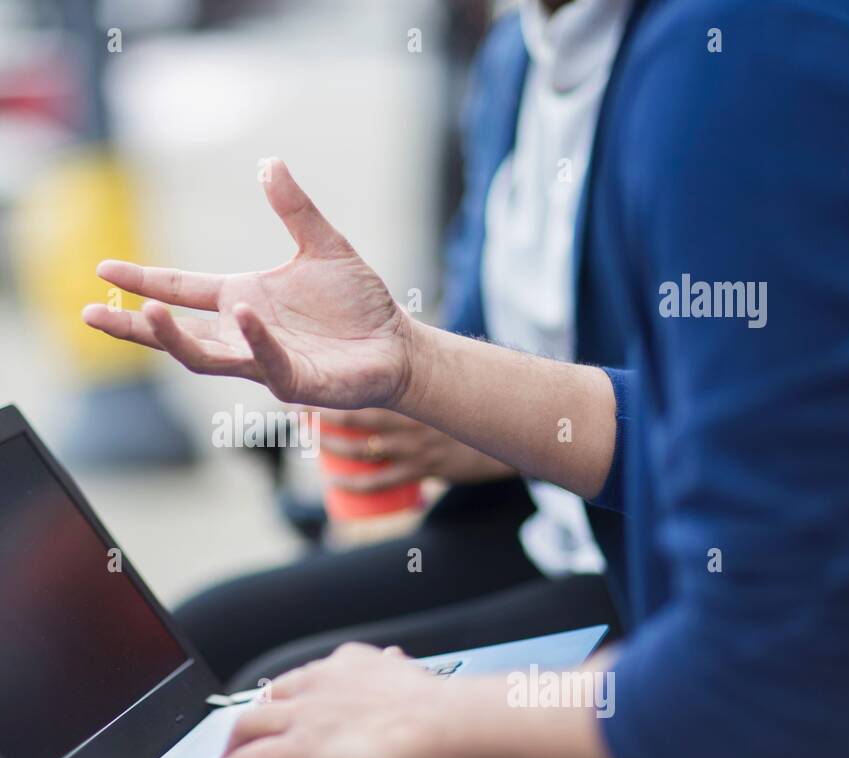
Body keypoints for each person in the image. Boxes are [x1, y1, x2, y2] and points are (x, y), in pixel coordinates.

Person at [81, 0, 849, 758]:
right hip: (677, 619)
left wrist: (415, 714)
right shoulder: (568, 52)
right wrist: (411, 368)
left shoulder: (739, 56)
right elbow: (716, 435)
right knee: (211, 658)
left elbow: (769, 689)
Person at [176, 0, 632, 691]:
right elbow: (480, 333)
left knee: (277, 685)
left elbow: (733, 426)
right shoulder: (514, 57)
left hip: (641, 561)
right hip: (538, 525)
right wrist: (419, 397)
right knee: (195, 637)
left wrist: (488, 415)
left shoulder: (687, 57)